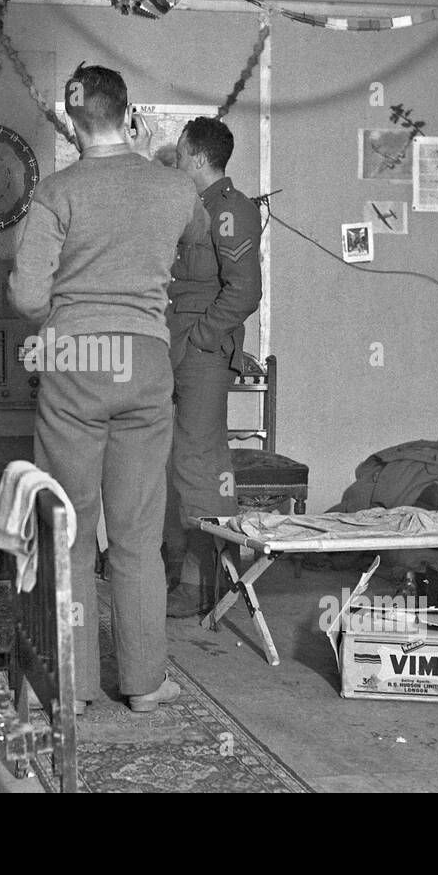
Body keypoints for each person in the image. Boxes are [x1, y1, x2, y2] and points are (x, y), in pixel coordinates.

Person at [9, 64, 211, 713]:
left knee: (69, 528)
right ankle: (146, 681)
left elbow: (27, 295)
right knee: (137, 534)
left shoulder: (56, 191)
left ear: (71, 121)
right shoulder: (176, 188)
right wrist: (157, 166)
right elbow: (202, 255)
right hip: (148, 361)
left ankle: (72, 688)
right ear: (128, 115)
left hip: (77, 357)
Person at [164, 116, 264, 618]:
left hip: (201, 354)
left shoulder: (231, 211)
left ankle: (203, 585)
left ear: (199, 158)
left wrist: (202, 339)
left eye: (180, 154)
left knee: (200, 465)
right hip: (173, 348)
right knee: (170, 461)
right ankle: (174, 571)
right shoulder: (190, 207)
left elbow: (245, 290)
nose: (176, 162)